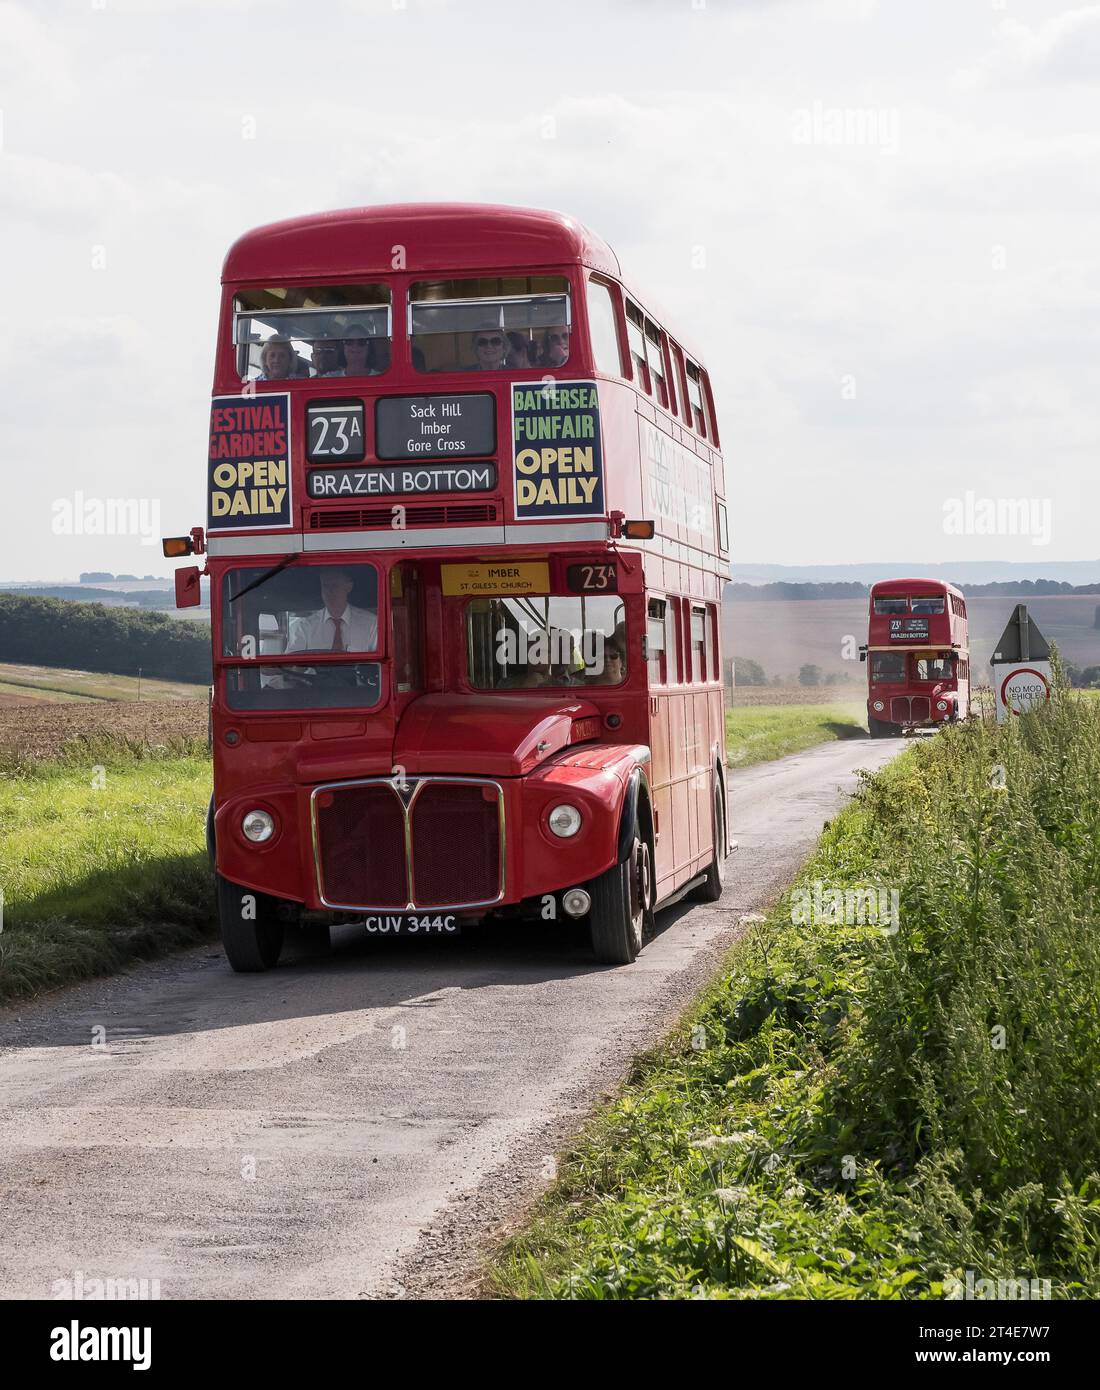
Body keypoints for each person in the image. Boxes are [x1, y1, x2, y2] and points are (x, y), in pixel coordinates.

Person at [285, 568, 378, 653]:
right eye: (325, 586)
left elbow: (378, 666)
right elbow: (290, 666)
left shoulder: (371, 624)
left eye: (335, 585)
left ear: (348, 587)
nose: (329, 592)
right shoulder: (304, 627)